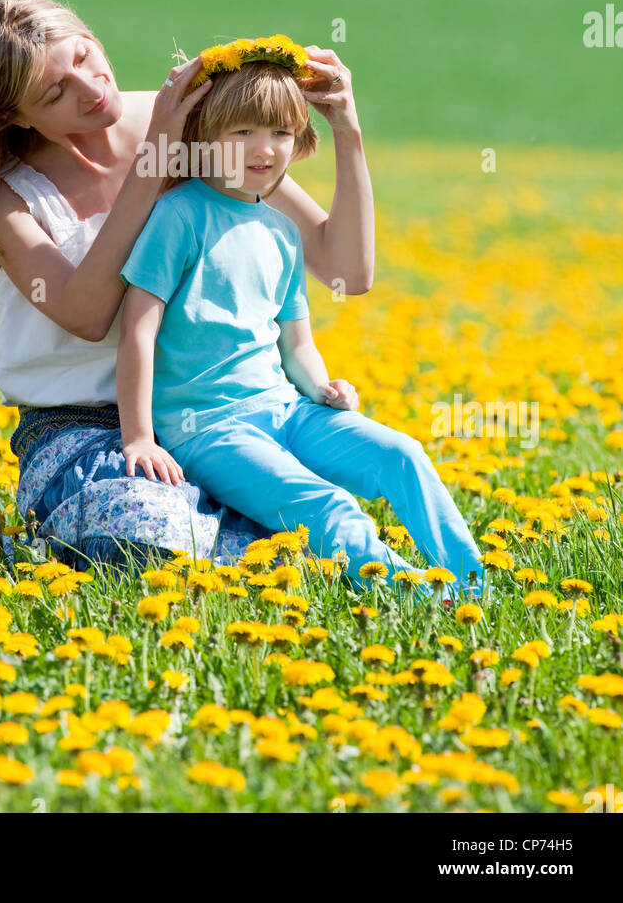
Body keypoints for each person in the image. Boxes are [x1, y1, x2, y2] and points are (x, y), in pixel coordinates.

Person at [0, 0, 369, 572]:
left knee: (305, 543)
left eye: (84, 56)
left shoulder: (187, 119)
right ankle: (8, 548)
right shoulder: (7, 197)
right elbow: (88, 314)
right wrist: (156, 155)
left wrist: (347, 128)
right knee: (156, 537)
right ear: (10, 116)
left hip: (214, 411)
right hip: (83, 428)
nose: (90, 88)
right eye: (55, 92)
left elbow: (344, 269)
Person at [116, 36, 486, 598]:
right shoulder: (177, 215)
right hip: (208, 430)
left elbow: (296, 344)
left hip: (285, 409)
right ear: (205, 136)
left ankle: (473, 586)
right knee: (327, 505)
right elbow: (137, 331)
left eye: (280, 133)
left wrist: (322, 385)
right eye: (242, 133)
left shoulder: (283, 232)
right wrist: (139, 436)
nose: (262, 150)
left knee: (403, 456)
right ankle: (420, 597)